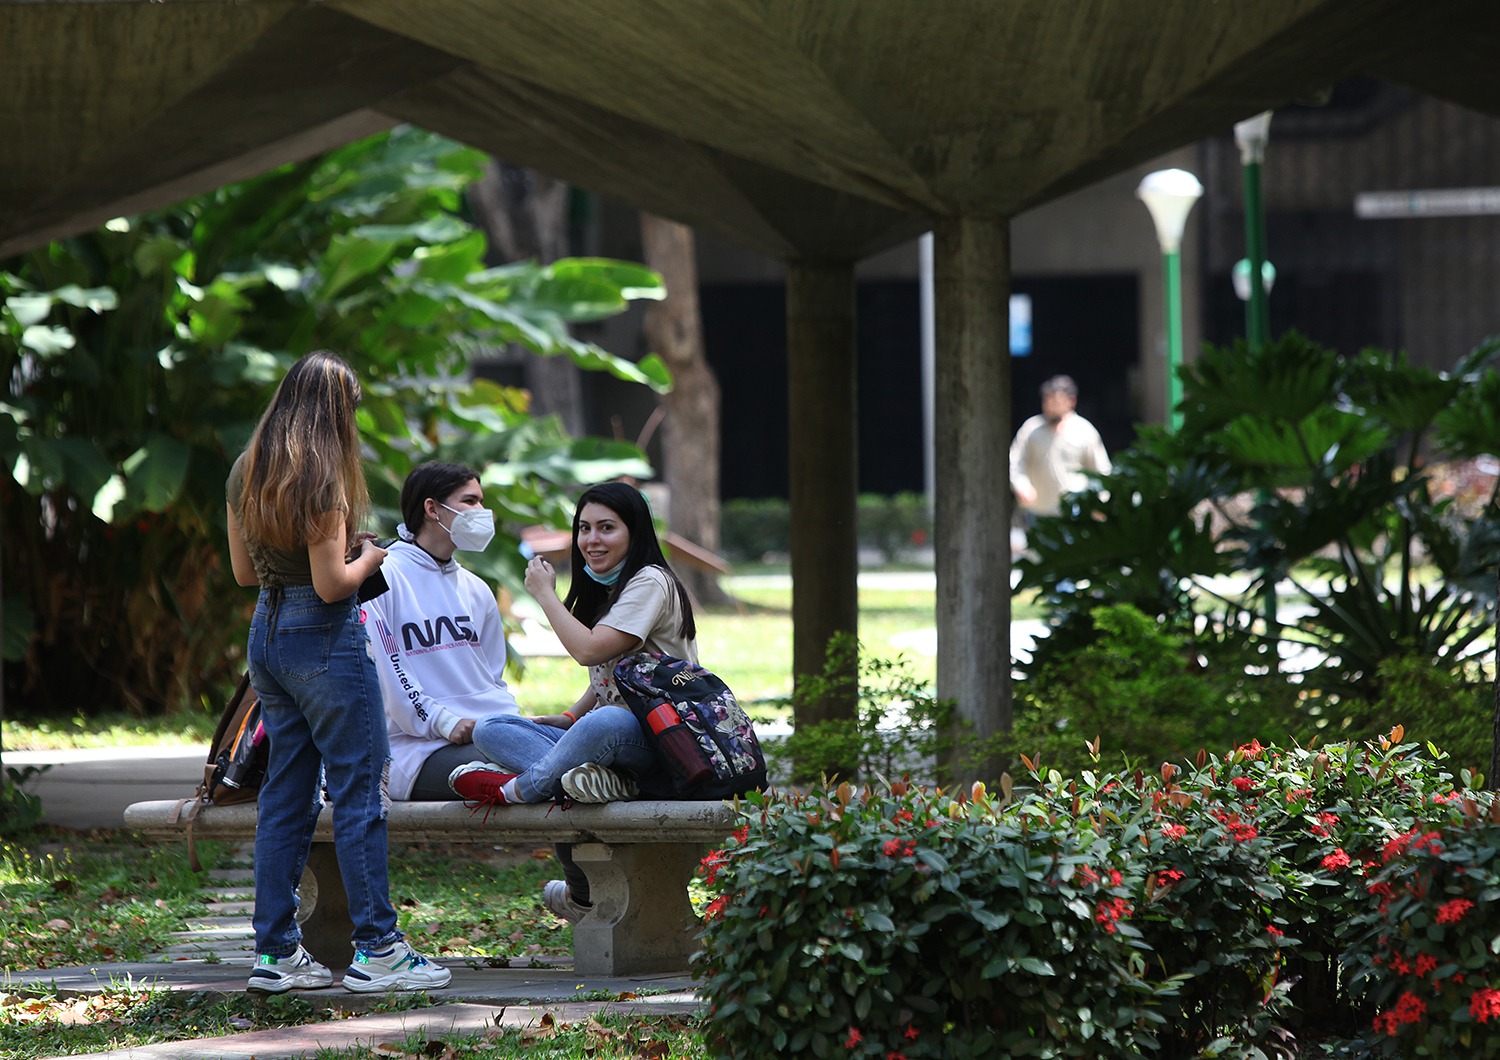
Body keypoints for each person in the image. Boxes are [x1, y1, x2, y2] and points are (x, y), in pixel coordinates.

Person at [226, 350, 450, 995]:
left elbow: (246, 574)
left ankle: (274, 955)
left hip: (266, 636)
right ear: (335, 412)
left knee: (285, 795)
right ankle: (379, 948)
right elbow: (331, 587)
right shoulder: (323, 478)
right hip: (324, 638)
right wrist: (371, 554)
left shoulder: (247, 470)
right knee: (358, 791)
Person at [448, 481, 698, 920]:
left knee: (607, 725)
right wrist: (568, 717)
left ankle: (517, 789)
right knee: (492, 727)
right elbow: (612, 675)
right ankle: (584, 778)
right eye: (584, 528)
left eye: (606, 528)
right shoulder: (608, 586)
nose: (592, 540)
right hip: (605, 737)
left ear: (634, 533)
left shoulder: (650, 582)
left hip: (659, 739)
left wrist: (544, 593)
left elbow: (589, 650)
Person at [362, 462, 523, 801]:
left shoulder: (477, 589)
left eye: (481, 501)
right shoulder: (381, 578)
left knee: (576, 752)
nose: (482, 512)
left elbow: (491, 679)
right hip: (417, 749)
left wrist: (508, 724)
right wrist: (447, 723)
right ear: (432, 509)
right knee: (542, 773)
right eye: (470, 501)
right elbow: (390, 680)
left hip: (493, 733)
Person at [1009, 374, 1112, 518]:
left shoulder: (1085, 431)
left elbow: (1101, 471)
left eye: (1056, 401)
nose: (1051, 406)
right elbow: (1016, 462)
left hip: (1074, 512)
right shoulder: (1031, 429)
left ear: (1071, 401)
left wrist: (1102, 503)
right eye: (1047, 400)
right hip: (1038, 512)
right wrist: (1021, 486)